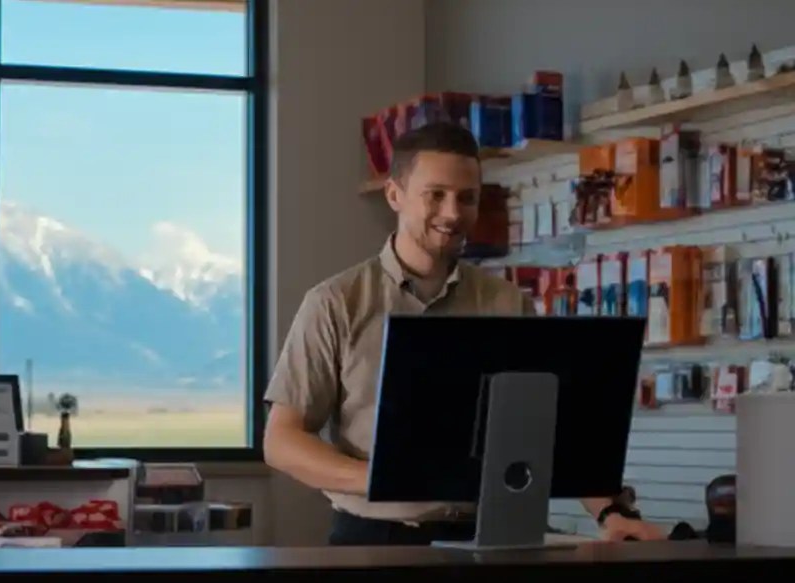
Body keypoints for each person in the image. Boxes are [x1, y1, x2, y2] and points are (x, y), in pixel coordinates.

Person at [262, 122, 665, 546]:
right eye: (435, 194)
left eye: (466, 198)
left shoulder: (510, 304)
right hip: (375, 542)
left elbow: (553, 430)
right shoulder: (335, 303)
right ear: (395, 195)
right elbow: (282, 440)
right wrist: (384, 478)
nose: (453, 213)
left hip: (495, 539)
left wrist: (611, 511)